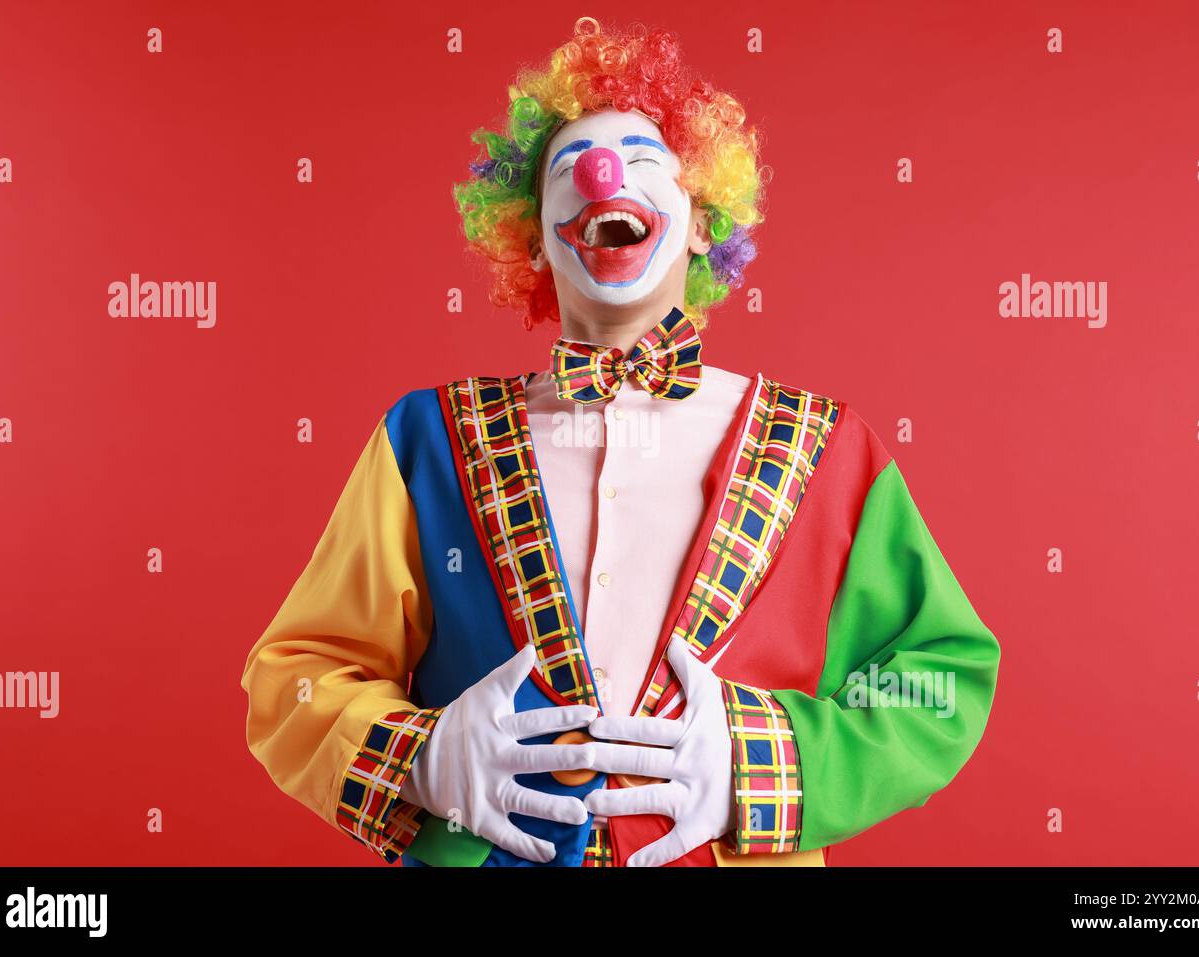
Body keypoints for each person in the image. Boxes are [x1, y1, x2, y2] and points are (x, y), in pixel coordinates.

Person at [240, 16, 1000, 868]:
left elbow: (940, 679)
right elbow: (292, 676)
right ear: (531, 238)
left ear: (704, 219)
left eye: (642, 161)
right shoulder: (424, 441)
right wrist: (419, 759)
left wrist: (772, 761)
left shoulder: (829, 452)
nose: (603, 176)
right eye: (569, 170)